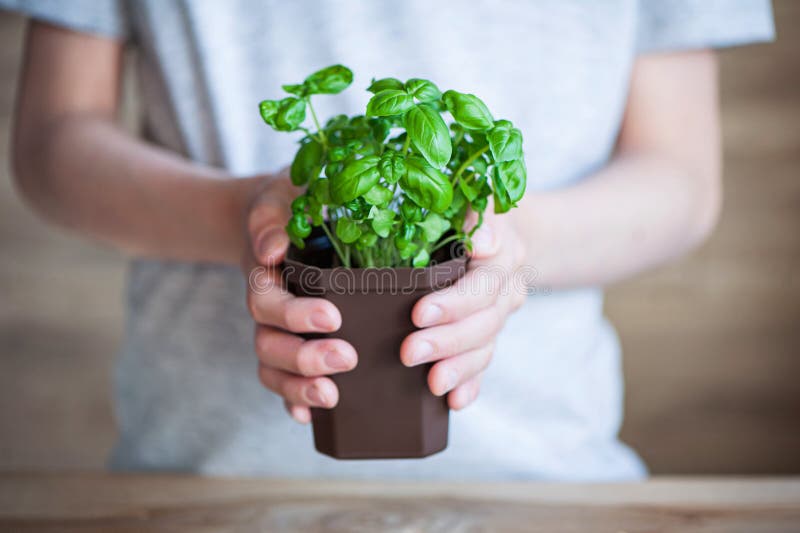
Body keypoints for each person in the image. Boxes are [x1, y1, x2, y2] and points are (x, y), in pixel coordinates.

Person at [3, 0, 774, 480]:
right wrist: (248, 217)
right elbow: (52, 142)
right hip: (198, 478)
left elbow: (682, 179)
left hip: (549, 479)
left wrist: (510, 247)